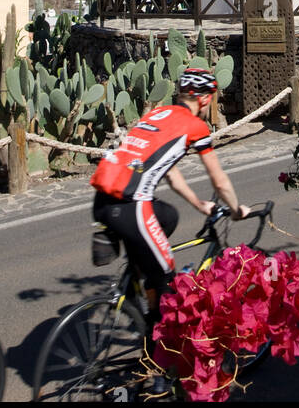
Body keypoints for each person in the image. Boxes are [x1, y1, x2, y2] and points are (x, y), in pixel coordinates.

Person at [90, 68, 249, 321]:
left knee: (169, 217)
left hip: (103, 200)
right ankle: (156, 349)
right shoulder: (195, 126)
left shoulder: (157, 115)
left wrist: (199, 205)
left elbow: (172, 175)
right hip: (132, 206)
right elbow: (220, 182)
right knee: (166, 276)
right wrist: (236, 210)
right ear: (205, 99)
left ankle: (135, 286)